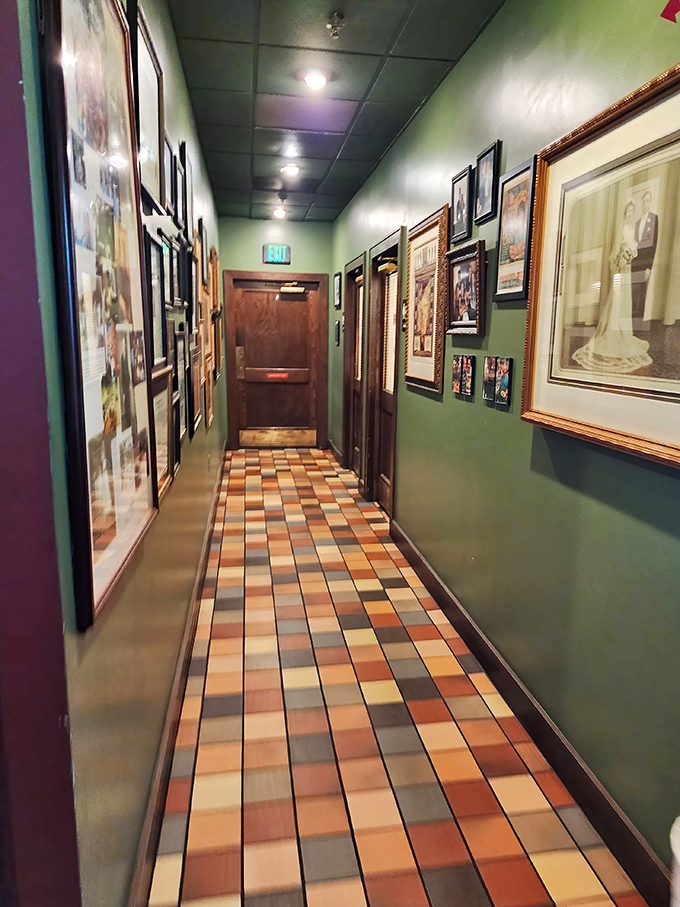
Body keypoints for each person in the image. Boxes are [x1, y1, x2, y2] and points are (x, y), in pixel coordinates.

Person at [573, 199, 651, 374]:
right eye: (628, 212)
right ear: (624, 213)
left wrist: (630, 254)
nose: (630, 214)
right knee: (617, 299)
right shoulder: (622, 228)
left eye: (632, 211)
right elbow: (614, 253)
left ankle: (623, 332)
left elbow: (634, 248)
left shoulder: (632, 228)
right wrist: (621, 258)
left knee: (626, 301)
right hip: (620, 269)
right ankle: (613, 331)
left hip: (627, 267)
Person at [631, 189, 658, 320]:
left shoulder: (653, 218)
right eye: (644, 201)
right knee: (633, 293)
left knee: (643, 293)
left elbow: (654, 244)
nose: (645, 204)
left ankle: (640, 321)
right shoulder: (637, 223)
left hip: (645, 263)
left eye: (648, 201)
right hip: (635, 263)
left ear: (650, 202)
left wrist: (649, 266)